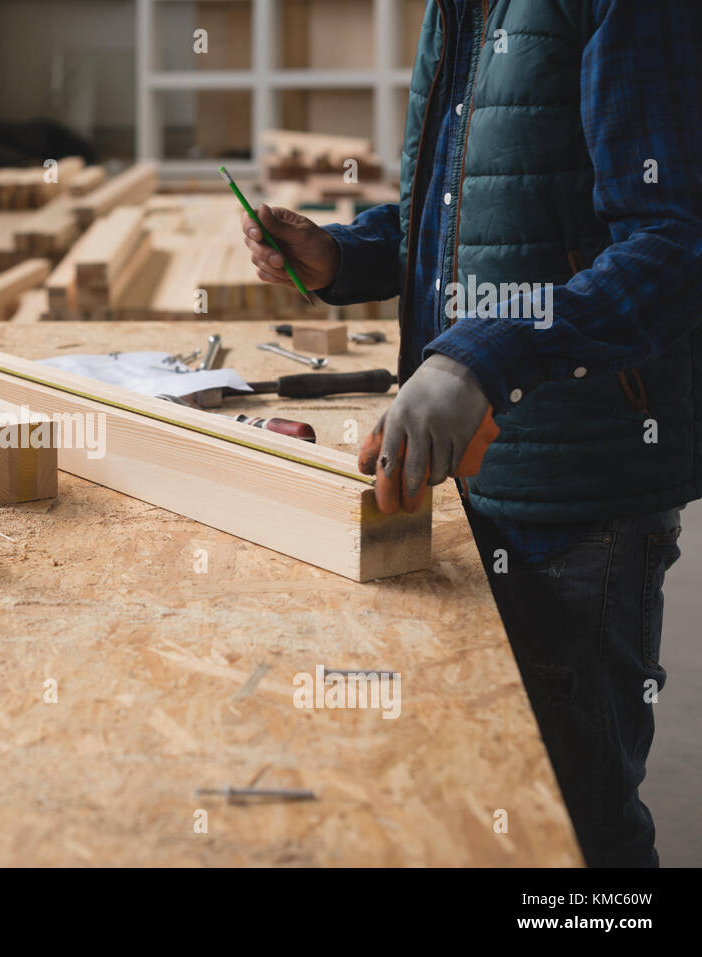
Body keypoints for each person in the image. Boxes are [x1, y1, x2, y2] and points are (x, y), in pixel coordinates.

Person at [243, 0, 701, 867]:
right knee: (484, 811)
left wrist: (481, 361)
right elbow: (470, 223)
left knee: (573, 828)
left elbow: (674, 242)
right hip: (473, 475)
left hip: (575, 498)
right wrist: (342, 256)